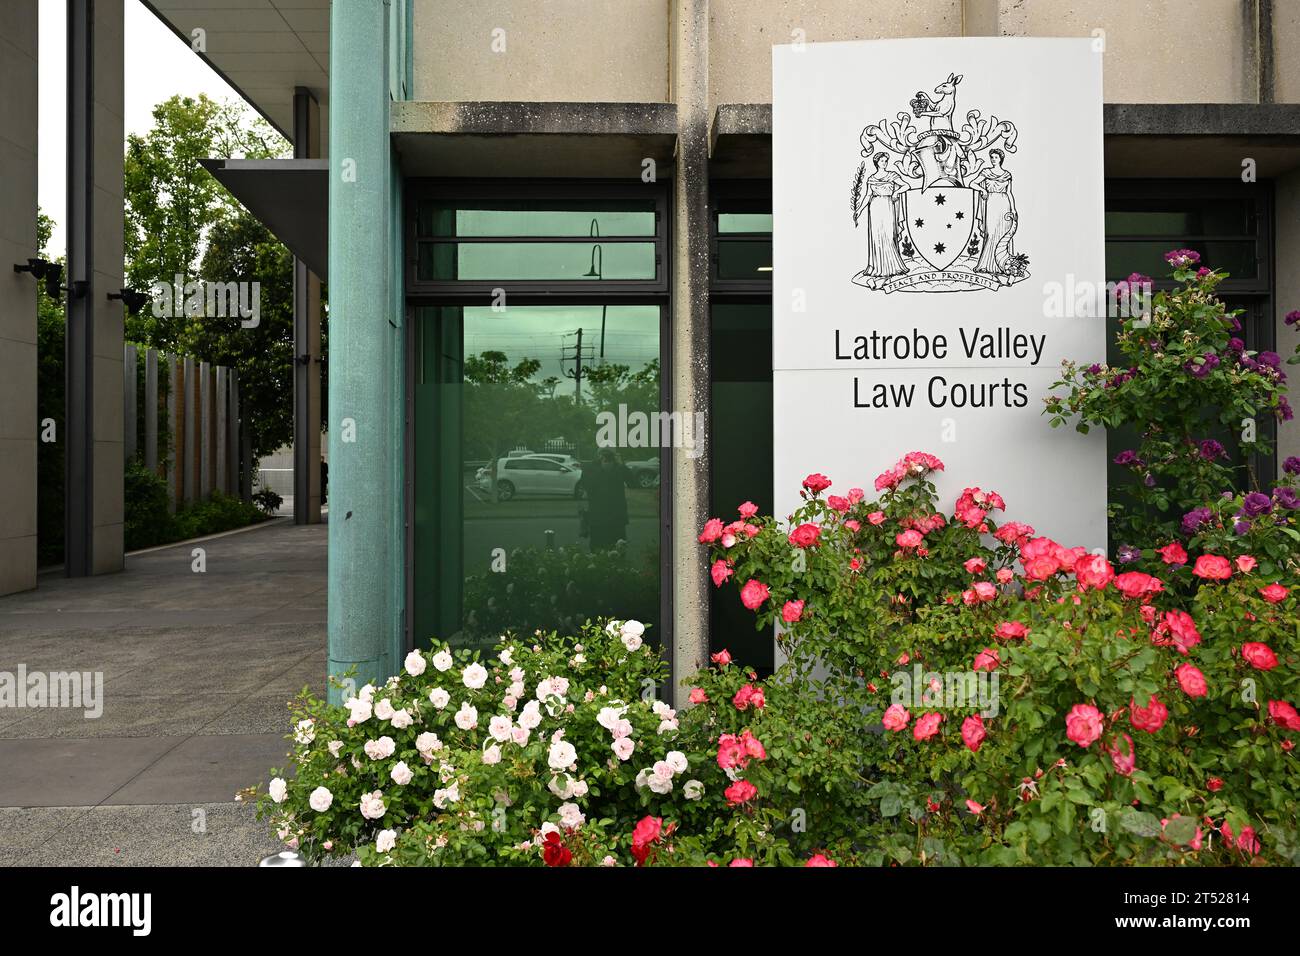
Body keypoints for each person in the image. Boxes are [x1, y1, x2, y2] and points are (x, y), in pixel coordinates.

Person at [857, 152, 911, 279]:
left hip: (887, 205)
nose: (884, 163)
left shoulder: (892, 175)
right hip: (875, 207)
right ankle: (877, 267)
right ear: (877, 162)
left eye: (886, 160)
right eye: (882, 161)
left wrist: (896, 192)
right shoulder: (871, 178)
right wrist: (859, 209)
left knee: (888, 235)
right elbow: (868, 195)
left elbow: (906, 185)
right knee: (876, 237)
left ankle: (893, 266)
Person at [971, 149, 1018, 276]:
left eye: (996, 157)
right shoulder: (986, 172)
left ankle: (1001, 264)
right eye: (992, 157)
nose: (993, 159)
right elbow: (972, 183)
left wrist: (1013, 209)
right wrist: (982, 190)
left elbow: (1009, 193)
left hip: (1004, 205)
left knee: (1002, 233)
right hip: (991, 204)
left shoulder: (1007, 175)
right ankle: (986, 264)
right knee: (990, 233)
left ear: (1000, 159)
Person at [582, 448, 631, 551]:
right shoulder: (589, 467)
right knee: (597, 550)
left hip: (617, 517)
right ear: (598, 454)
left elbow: (632, 482)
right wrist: (602, 470)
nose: (606, 457)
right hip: (598, 517)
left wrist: (621, 464)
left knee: (619, 550)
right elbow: (587, 486)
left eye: (609, 454)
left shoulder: (619, 467)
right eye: (603, 453)